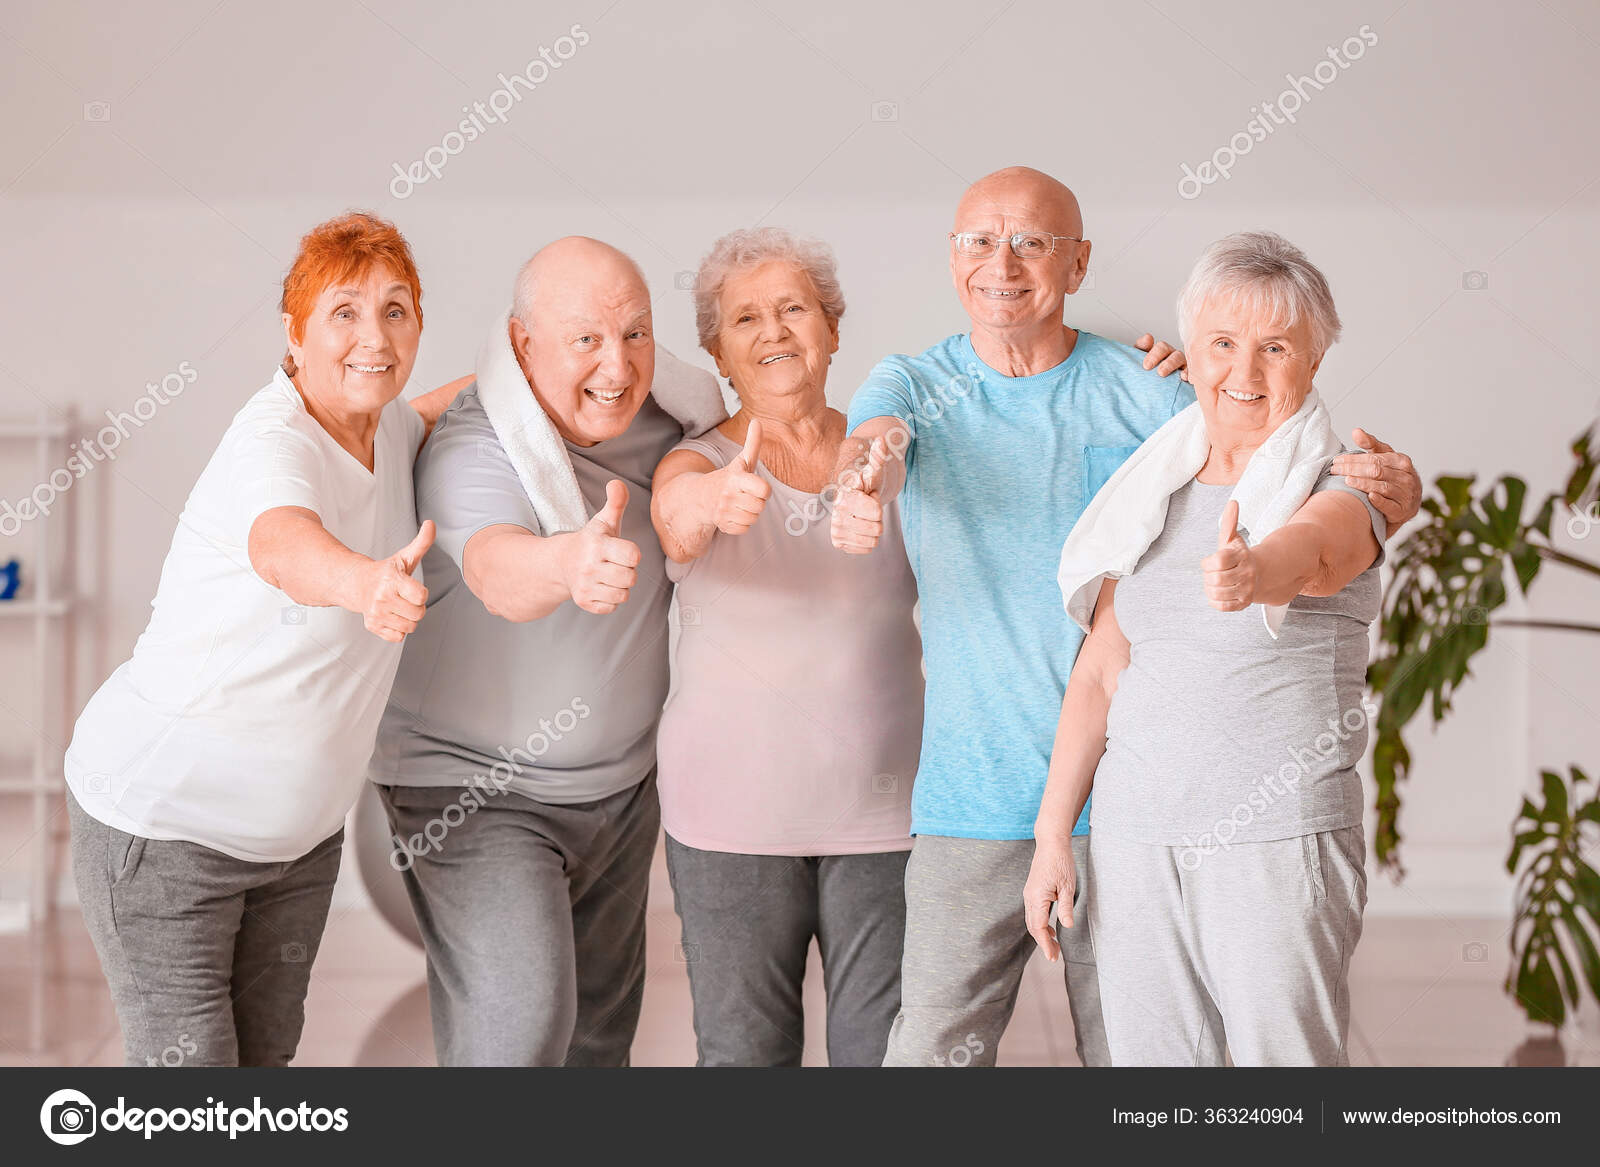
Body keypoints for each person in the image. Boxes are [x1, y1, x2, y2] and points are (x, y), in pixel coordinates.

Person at [832, 167, 1423, 1067]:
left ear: (1078, 261)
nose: (1003, 262)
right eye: (1222, 342)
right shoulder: (946, 395)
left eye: (1032, 240)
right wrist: (861, 477)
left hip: (1189, 822)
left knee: (1214, 1061)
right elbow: (881, 443)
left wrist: (1264, 562)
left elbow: (1314, 529)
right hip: (1020, 799)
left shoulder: (1213, 425)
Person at [65, 211, 434, 1066]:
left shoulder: (394, 428)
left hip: (296, 845)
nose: (373, 336)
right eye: (344, 311)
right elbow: (281, 542)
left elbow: (472, 398)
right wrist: (363, 582)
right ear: (294, 332)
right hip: (163, 831)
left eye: (396, 308)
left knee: (263, 1073)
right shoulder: (271, 441)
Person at [1027, 231, 1383, 1066]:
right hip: (1136, 837)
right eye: (1223, 344)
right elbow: (1102, 671)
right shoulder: (1151, 492)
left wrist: (1256, 569)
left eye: (1275, 347)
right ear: (1192, 354)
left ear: (1316, 357)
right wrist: (1052, 836)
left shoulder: (1344, 481)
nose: (1245, 372)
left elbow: (1322, 551)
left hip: (1275, 843)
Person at [370, 237, 692, 1066]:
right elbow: (495, 568)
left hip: (621, 793)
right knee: (522, 1027)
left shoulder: (671, 428)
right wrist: (567, 563)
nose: (616, 366)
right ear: (521, 345)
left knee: (597, 1044)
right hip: (475, 789)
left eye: (636, 333)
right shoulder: (476, 443)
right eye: (585, 338)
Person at [650, 228, 922, 1066]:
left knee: (882, 1056)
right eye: (746, 319)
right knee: (743, 1056)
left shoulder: (887, 452)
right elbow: (676, 515)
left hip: (887, 814)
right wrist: (716, 500)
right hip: (729, 819)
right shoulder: (692, 461)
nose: (774, 331)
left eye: (794, 309)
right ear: (718, 353)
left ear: (833, 329)